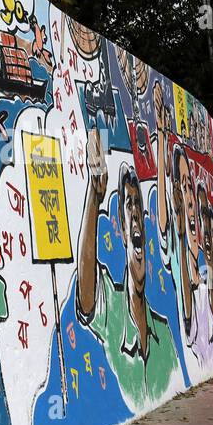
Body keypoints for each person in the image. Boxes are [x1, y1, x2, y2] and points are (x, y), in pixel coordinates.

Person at [75, 143, 179, 409]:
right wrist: (94, 198)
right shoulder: (112, 310)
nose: (134, 215)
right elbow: (87, 293)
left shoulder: (165, 336)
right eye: (128, 205)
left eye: (138, 207)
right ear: (122, 228)